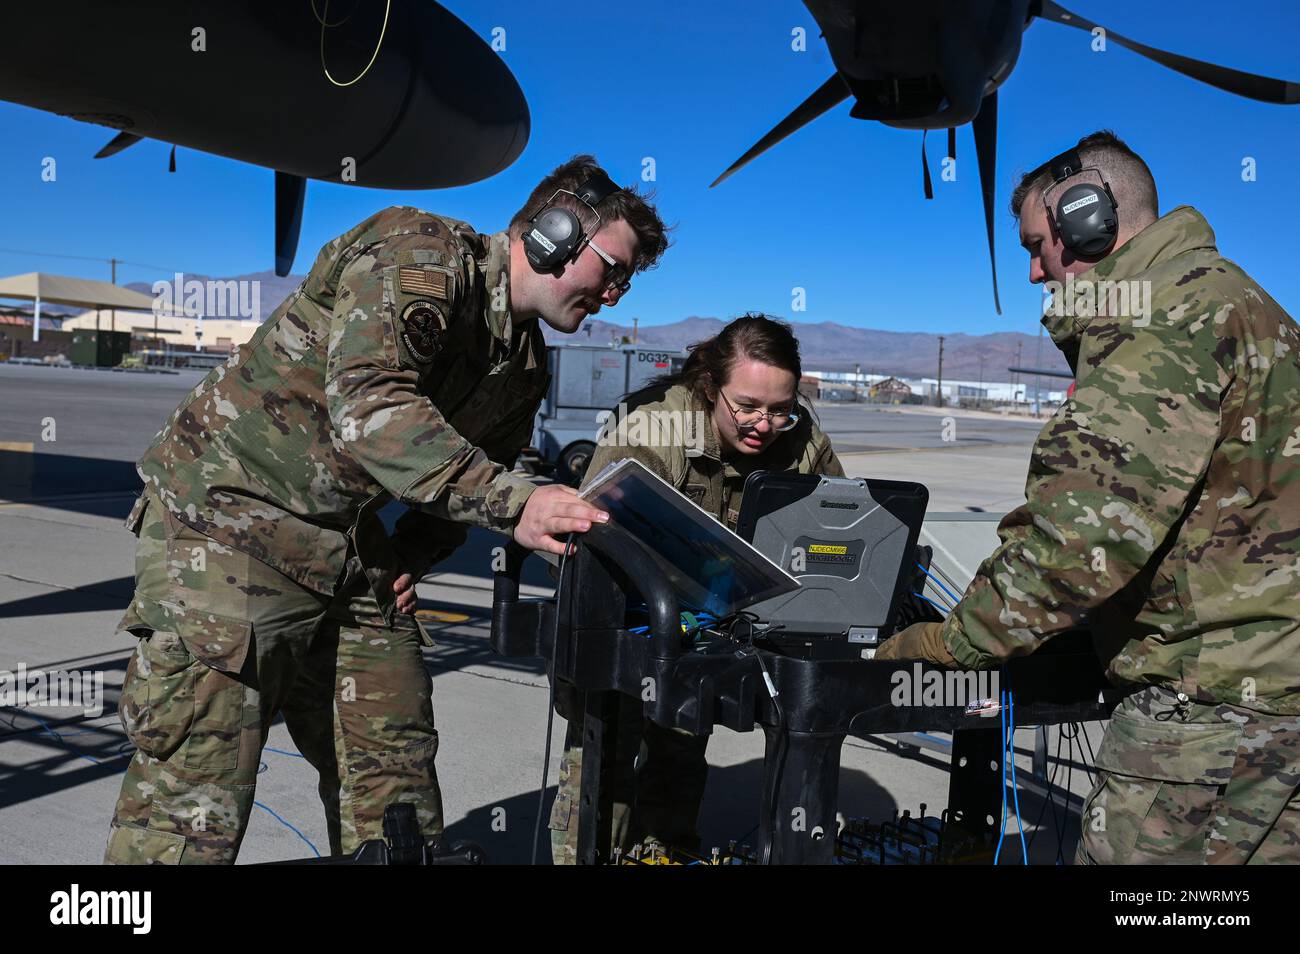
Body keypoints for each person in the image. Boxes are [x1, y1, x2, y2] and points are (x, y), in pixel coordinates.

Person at [104, 155, 669, 863]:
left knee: (395, 774)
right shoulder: (420, 253)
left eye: (627, 282)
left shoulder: (524, 364)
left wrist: (410, 558)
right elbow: (372, 407)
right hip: (229, 520)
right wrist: (514, 502)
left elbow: (470, 476)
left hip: (345, 544)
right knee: (195, 798)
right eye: (611, 269)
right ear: (553, 233)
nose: (613, 294)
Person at [876, 130, 1300, 864]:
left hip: (1205, 719)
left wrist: (949, 644)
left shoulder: (1162, 318)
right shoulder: (1244, 303)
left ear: (1088, 221)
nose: (1038, 272)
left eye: (1039, 246)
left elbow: (1079, 536)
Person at [548, 313, 845, 863]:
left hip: (710, 632)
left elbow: (840, 526)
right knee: (602, 767)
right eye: (748, 406)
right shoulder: (653, 432)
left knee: (680, 757)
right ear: (712, 387)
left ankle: (665, 852)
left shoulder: (801, 440)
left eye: (780, 409)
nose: (764, 422)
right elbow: (587, 543)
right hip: (624, 622)